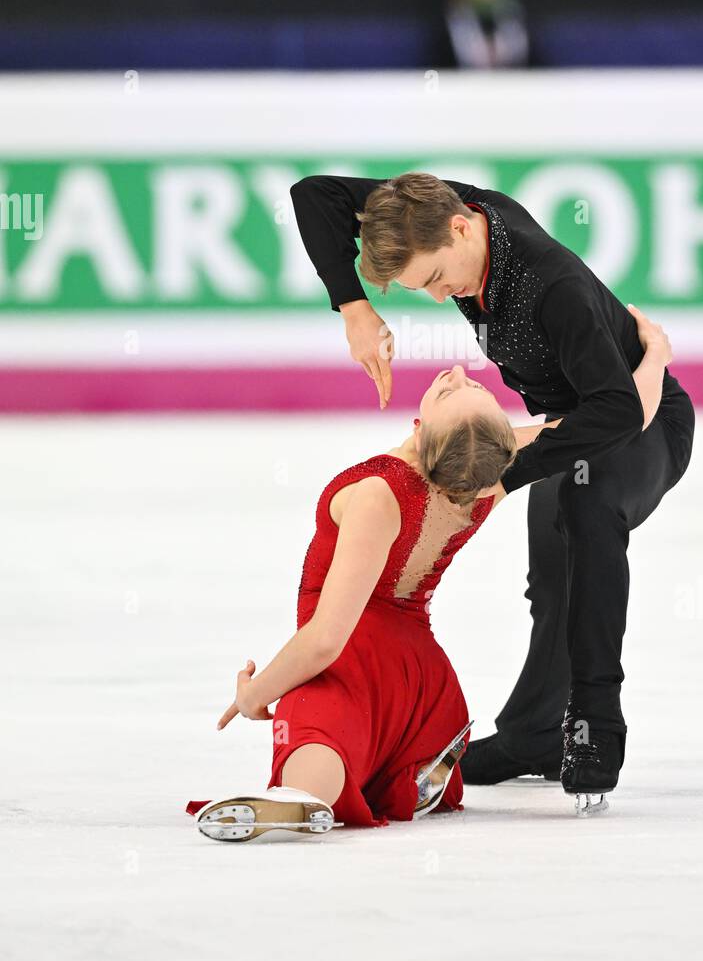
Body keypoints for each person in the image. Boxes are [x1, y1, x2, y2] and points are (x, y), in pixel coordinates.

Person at [288, 171, 694, 808]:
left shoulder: (549, 283)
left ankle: (595, 727)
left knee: (586, 517)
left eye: (430, 280)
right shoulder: (443, 210)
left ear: (458, 230)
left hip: (642, 421)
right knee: (550, 579)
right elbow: (316, 194)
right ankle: (535, 734)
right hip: (562, 427)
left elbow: (617, 412)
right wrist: (355, 307)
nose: (433, 296)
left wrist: (508, 476)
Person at [189, 327, 671, 840]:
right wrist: (657, 356)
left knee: (316, 721)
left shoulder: (380, 494)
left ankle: (303, 795)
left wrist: (255, 695)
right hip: (425, 686)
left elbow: (326, 639)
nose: (459, 372)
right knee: (357, 727)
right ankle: (412, 765)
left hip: (354, 657)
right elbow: (622, 418)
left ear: (420, 432)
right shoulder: (494, 479)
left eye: (458, 389)